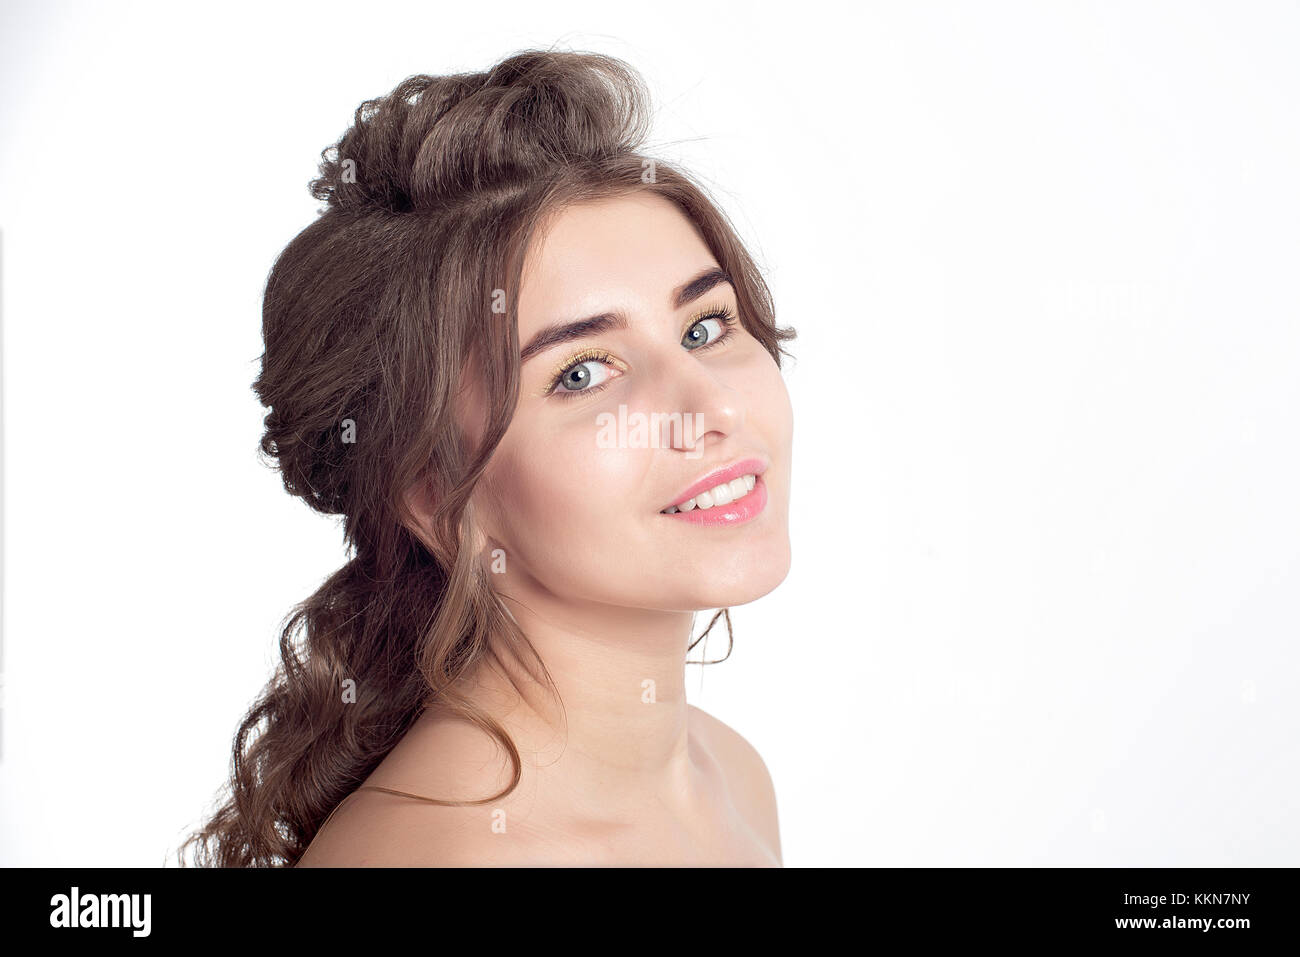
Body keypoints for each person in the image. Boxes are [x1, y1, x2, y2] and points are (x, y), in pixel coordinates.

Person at [181, 48, 797, 867]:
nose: (713, 408)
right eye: (581, 373)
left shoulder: (732, 776)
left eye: (706, 327)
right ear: (434, 494)